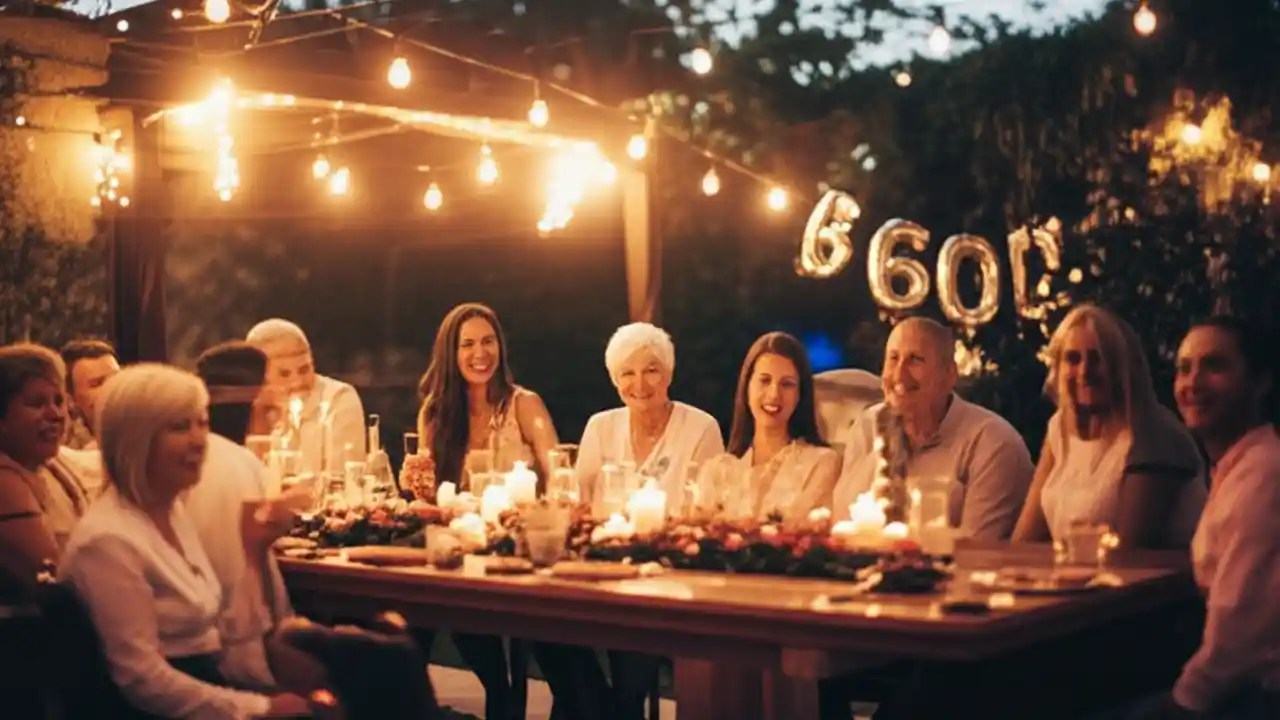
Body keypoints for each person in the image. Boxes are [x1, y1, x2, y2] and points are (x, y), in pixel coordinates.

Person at [58, 364, 309, 718]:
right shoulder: (108, 541)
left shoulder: (170, 512)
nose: (198, 440)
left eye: (201, 423)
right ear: (137, 439)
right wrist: (259, 708)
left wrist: (254, 549)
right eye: (179, 427)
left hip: (210, 690)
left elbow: (221, 633)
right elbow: (141, 679)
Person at [415, 302, 560, 720]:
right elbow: (427, 492)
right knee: (415, 621)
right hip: (457, 555)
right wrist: (420, 488)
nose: (480, 353)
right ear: (451, 353)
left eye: (488, 341)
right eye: (468, 344)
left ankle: (503, 696)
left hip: (513, 550)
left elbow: (558, 473)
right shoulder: (435, 412)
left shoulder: (524, 405)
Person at [1139, 318, 1280, 719]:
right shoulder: (1238, 468)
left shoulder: (1265, 475)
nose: (1192, 383)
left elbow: (1241, 630)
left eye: (1214, 366)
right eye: (1184, 368)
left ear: (1261, 383)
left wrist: (1183, 702)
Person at [1013, 305, 1205, 549]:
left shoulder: (1154, 434)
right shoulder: (1060, 428)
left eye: (1097, 358)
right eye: (1073, 359)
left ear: (1122, 367)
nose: (1084, 371)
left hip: (1150, 585)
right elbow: (1024, 541)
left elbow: (1129, 553)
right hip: (1077, 581)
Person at [832, 318, 1032, 539]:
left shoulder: (993, 443)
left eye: (915, 360)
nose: (899, 374)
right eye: (893, 358)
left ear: (949, 374)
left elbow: (976, 551)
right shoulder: (867, 427)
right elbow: (841, 526)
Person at [190, 342, 295, 691]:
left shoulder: (188, 460)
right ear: (254, 404)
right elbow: (263, 598)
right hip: (238, 662)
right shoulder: (240, 465)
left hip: (195, 649)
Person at [576, 322, 724, 517]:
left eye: (651, 371)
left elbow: (710, 513)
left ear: (668, 375)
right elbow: (580, 506)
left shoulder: (701, 428)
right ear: (615, 380)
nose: (639, 384)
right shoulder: (600, 428)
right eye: (627, 373)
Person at [703, 331, 840, 522]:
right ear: (747, 387)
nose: (774, 394)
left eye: (787, 384)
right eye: (764, 380)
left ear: (800, 394)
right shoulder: (718, 472)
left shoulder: (820, 464)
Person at [0, 344, 94, 586]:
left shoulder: (55, 467)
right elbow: (59, 580)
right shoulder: (4, 481)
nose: (55, 414)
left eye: (59, 401)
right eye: (36, 403)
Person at [246, 319, 365, 475]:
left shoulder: (339, 399)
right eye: (284, 374)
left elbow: (342, 479)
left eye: (304, 370)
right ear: (259, 376)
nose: (297, 382)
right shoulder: (244, 405)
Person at [59, 339, 120, 451]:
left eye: (116, 378)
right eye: (97, 383)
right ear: (71, 401)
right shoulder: (65, 457)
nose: (113, 387)